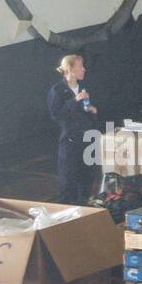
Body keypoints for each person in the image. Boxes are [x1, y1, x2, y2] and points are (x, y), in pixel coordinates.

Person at [46, 54, 100, 205]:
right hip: (70, 140)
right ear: (70, 69)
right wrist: (74, 100)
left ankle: (85, 208)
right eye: (80, 66)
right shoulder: (57, 90)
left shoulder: (82, 88)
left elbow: (84, 112)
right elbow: (56, 115)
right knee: (69, 181)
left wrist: (91, 111)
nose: (84, 69)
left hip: (87, 138)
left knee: (87, 177)